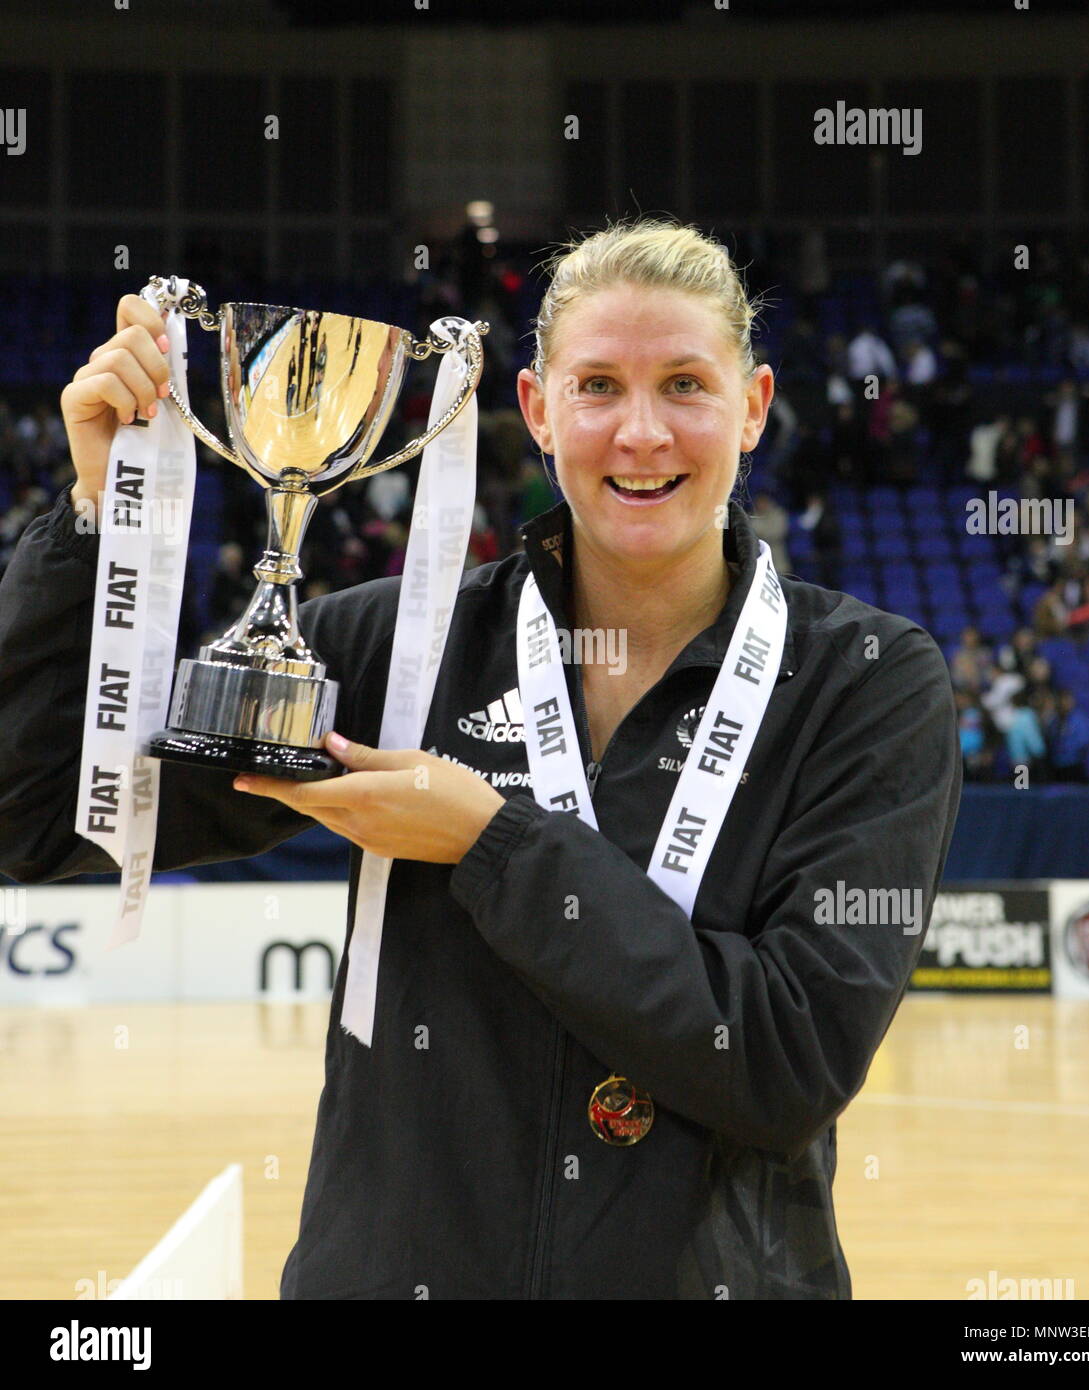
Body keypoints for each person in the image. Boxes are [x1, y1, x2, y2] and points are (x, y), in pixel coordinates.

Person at [0, 218, 962, 1300]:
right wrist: (95, 519)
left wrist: (490, 844)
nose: (641, 431)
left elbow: (788, 1060)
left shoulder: (865, 684)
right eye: (598, 386)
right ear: (540, 411)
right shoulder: (390, 651)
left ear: (754, 405)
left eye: (685, 384)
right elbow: (39, 821)